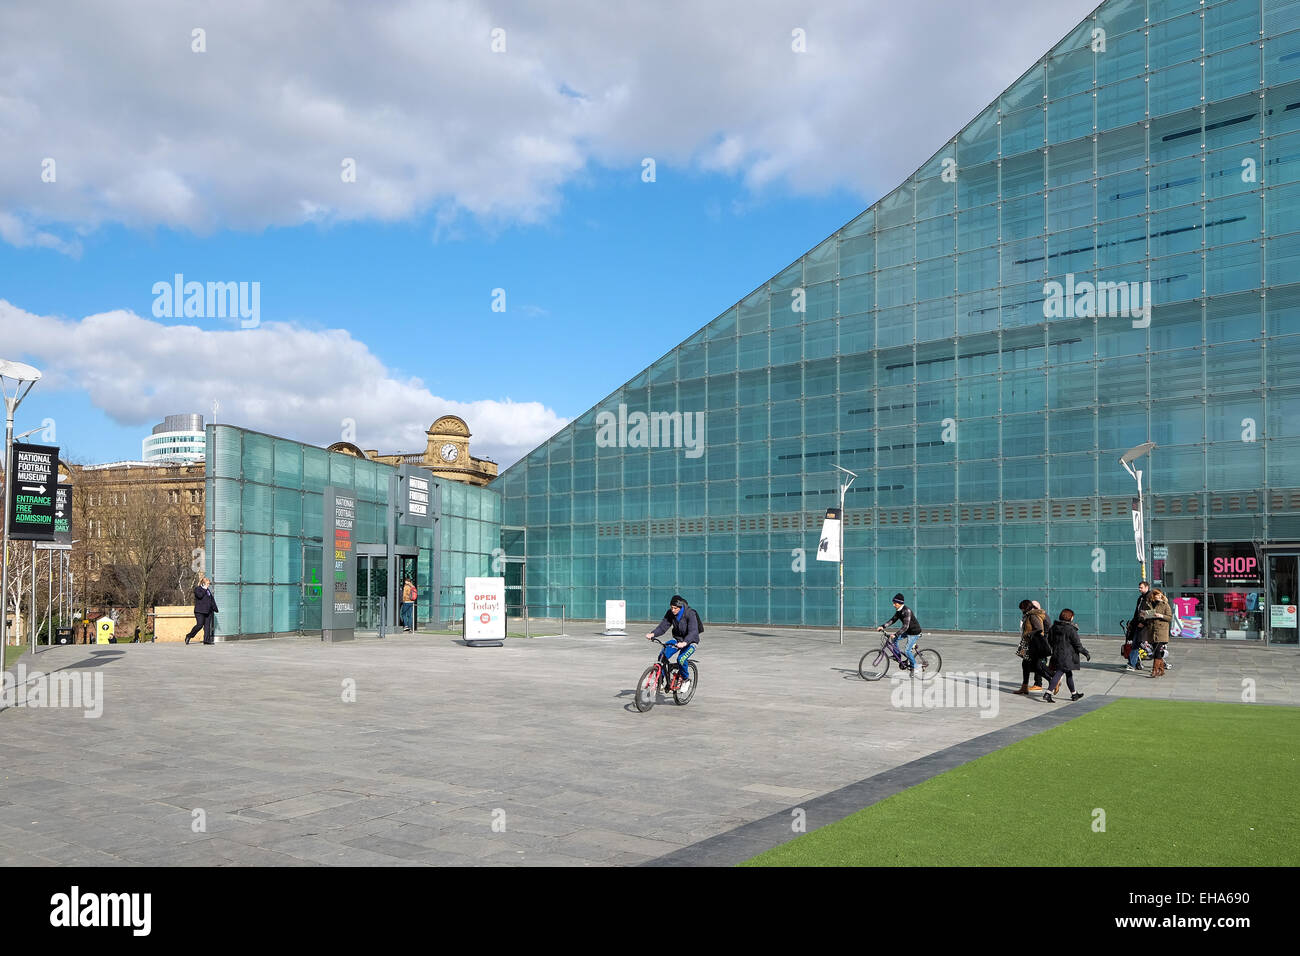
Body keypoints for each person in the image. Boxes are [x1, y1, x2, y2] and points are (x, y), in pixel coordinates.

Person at [646, 595, 700, 691]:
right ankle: (660, 682)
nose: (673, 610)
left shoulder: (690, 613)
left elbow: (693, 631)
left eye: (675, 608)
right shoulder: (670, 613)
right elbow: (663, 627)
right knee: (662, 655)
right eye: (671, 607)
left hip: (691, 641)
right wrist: (653, 633)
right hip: (677, 639)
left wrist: (685, 642)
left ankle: (685, 679)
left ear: (681, 607)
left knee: (681, 659)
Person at [1042, 608, 1090, 703]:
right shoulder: (1071, 629)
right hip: (1067, 656)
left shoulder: (1054, 627)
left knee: (1068, 674)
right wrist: (1086, 653)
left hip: (1057, 654)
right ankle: (1048, 693)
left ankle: (1074, 694)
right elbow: (1077, 644)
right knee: (1059, 673)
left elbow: (1050, 640)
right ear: (1070, 618)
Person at [877, 593, 923, 677]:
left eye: (895, 603)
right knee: (894, 640)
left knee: (907, 651)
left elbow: (906, 626)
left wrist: (896, 634)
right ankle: (897, 656)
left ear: (900, 603)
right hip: (908, 631)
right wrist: (883, 626)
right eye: (893, 603)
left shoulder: (906, 611)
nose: (893, 605)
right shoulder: (899, 611)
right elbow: (892, 620)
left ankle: (915, 667)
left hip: (914, 632)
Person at [1015, 599, 1051, 694]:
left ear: (1025, 608)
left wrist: (1029, 634)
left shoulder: (1032, 616)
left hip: (1033, 645)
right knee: (1025, 664)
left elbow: (1039, 629)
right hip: (1028, 644)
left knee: (1037, 667)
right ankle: (1024, 687)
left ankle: (1053, 681)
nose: (1021, 610)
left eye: (1022, 608)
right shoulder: (1028, 616)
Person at [1146, 587, 1173, 678]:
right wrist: (1146, 615)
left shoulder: (1165, 604)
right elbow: (1145, 615)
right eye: (1156, 595)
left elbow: (1169, 617)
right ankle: (1161, 670)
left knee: (1157, 651)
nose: (1158, 596)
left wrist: (1161, 615)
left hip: (1161, 631)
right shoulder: (1150, 604)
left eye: (1159, 594)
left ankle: (1155, 670)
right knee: (1156, 650)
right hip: (1152, 630)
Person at [1125, 581, 1152, 671]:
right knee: (1136, 643)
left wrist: (1144, 622)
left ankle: (1132, 663)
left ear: (1147, 587)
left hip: (1145, 625)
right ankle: (1133, 663)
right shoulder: (1141, 598)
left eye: (1141, 587)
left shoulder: (1150, 597)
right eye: (1139, 587)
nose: (1139, 589)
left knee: (1138, 643)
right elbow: (1137, 613)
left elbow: (1151, 612)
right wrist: (1132, 623)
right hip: (1138, 624)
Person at [184, 576, 219, 645]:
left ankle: (206, 640)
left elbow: (211, 600)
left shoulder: (208, 591)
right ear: (203, 583)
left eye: (209, 584)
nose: (208, 585)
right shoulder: (198, 589)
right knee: (199, 625)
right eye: (207, 583)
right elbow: (200, 596)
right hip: (199, 611)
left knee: (207, 627)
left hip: (208, 612)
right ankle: (189, 636)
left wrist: (215, 608)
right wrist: (204, 589)